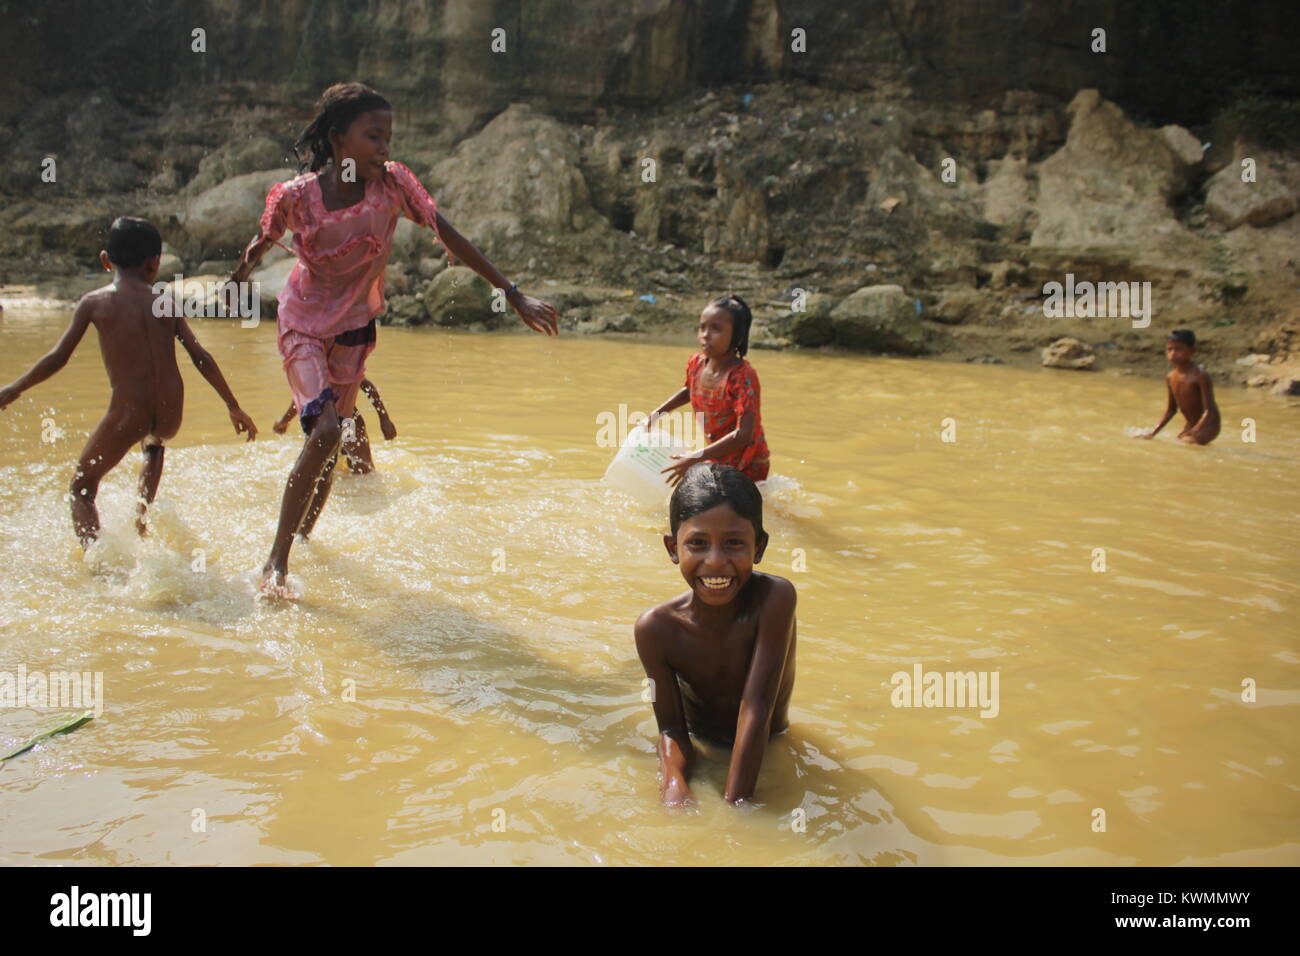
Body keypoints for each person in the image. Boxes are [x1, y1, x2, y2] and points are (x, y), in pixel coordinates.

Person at [230, 82, 560, 598]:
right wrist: (236, 280)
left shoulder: (394, 187)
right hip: (304, 325)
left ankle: (304, 540)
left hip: (356, 330)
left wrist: (512, 293)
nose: (385, 147)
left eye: (389, 136)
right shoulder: (298, 197)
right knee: (324, 434)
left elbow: (448, 234)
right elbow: (262, 241)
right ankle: (276, 563)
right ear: (338, 138)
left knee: (333, 437)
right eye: (373, 136)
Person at [0, 217, 257, 546]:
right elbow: (201, 356)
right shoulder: (166, 301)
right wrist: (233, 406)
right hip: (170, 412)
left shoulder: (95, 302)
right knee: (154, 443)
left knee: (81, 489)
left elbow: (57, 358)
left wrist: (13, 388)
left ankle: (101, 565)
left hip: (128, 412)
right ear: (155, 264)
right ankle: (141, 520)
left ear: (105, 260)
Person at [633, 463, 797, 806]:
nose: (716, 561)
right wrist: (674, 782)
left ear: (760, 547)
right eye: (697, 543)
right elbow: (671, 729)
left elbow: (757, 708)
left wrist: (736, 806)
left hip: (767, 745)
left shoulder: (775, 600)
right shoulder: (655, 629)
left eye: (734, 543)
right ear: (672, 548)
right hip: (701, 742)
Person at [646, 295, 771, 486]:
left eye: (716, 328)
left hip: (748, 463)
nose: (705, 334)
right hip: (716, 454)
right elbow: (690, 390)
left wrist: (695, 458)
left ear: (737, 335)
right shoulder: (696, 364)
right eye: (702, 327)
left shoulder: (742, 376)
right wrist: (656, 414)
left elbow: (743, 434)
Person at [272, 377, 395, 475]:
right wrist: (285, 420)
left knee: (362, 470)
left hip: (343, 420)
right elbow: (303, 397)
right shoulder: (317, 361)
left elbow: (364, 383)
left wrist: (384, 419)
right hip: (330, 421)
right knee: (326, 470)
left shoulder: (333, 358)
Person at [1136, 329, 1221, 445]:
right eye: (1169, 349)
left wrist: (1195, 431)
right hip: (1192, 423)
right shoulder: (1171, 377)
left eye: (1179, 349)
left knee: (1187, 445)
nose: (1173, 354)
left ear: (1192, 350)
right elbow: (1171, 410)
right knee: (1177, 443)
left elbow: (1209, 411)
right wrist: (1153, 433)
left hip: (1209, 424)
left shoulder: (1200, 376)